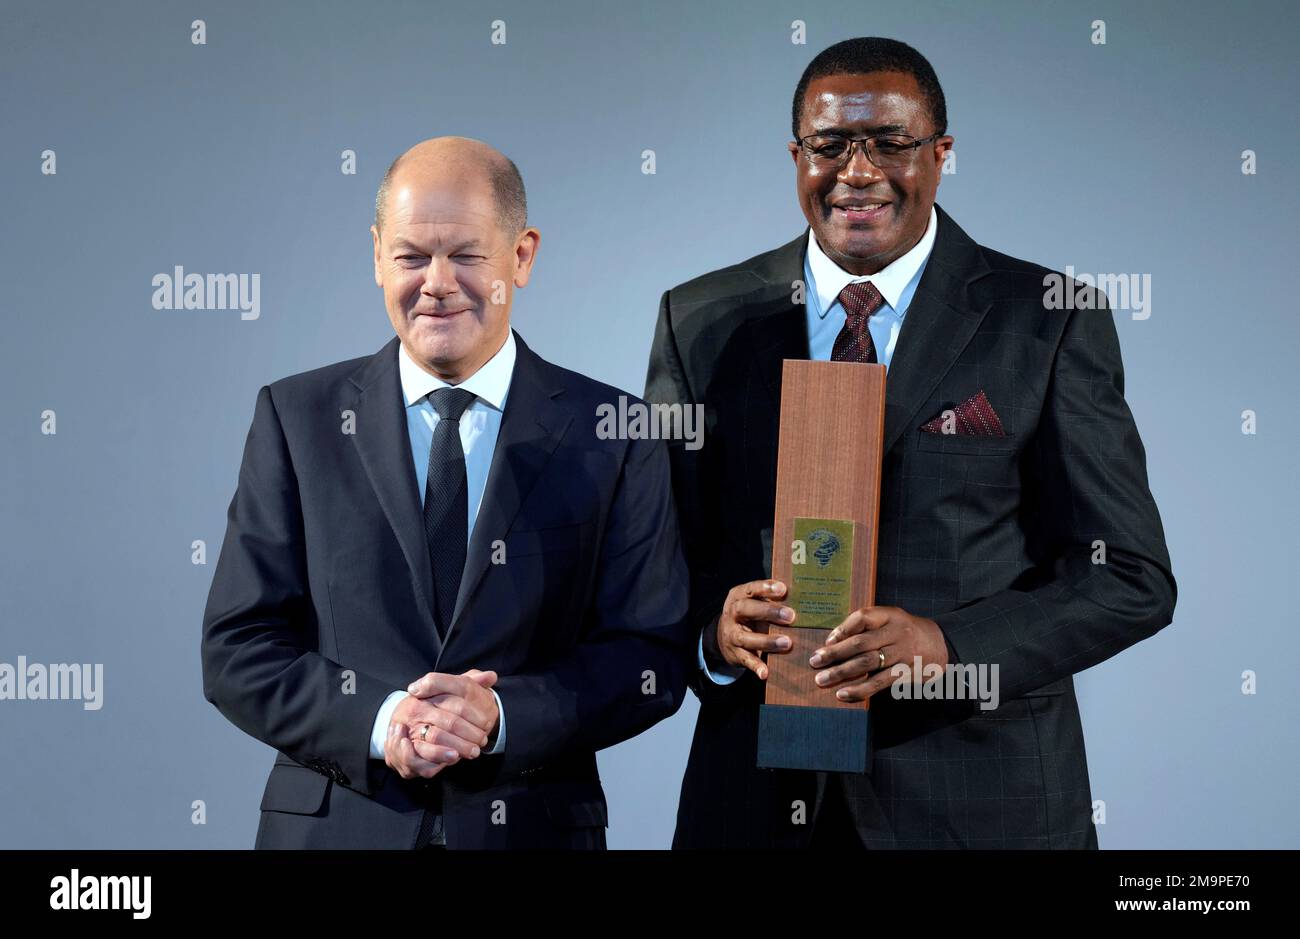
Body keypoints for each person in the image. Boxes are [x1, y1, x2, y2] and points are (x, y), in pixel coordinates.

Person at [646, 37, 1176, 848]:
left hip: (980, 804)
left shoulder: (1048, 316)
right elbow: (655, 563)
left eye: (891, 142)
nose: (857, 171)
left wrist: (947, 644)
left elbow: (1130, 576)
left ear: (941, 154)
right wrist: (713, 638)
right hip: (753, 804)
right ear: (798, 156)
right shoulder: (700, 318)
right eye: (829, 145)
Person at [202, 137, 691, 849]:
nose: (436, 282)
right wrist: (382, 720)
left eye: (465, 255)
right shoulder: (296, 419)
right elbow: (237, 648)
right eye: (410, 256)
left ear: (521, 257)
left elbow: (650, 656)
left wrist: (500, 714)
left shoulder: (616, 433)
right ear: (376, 255)